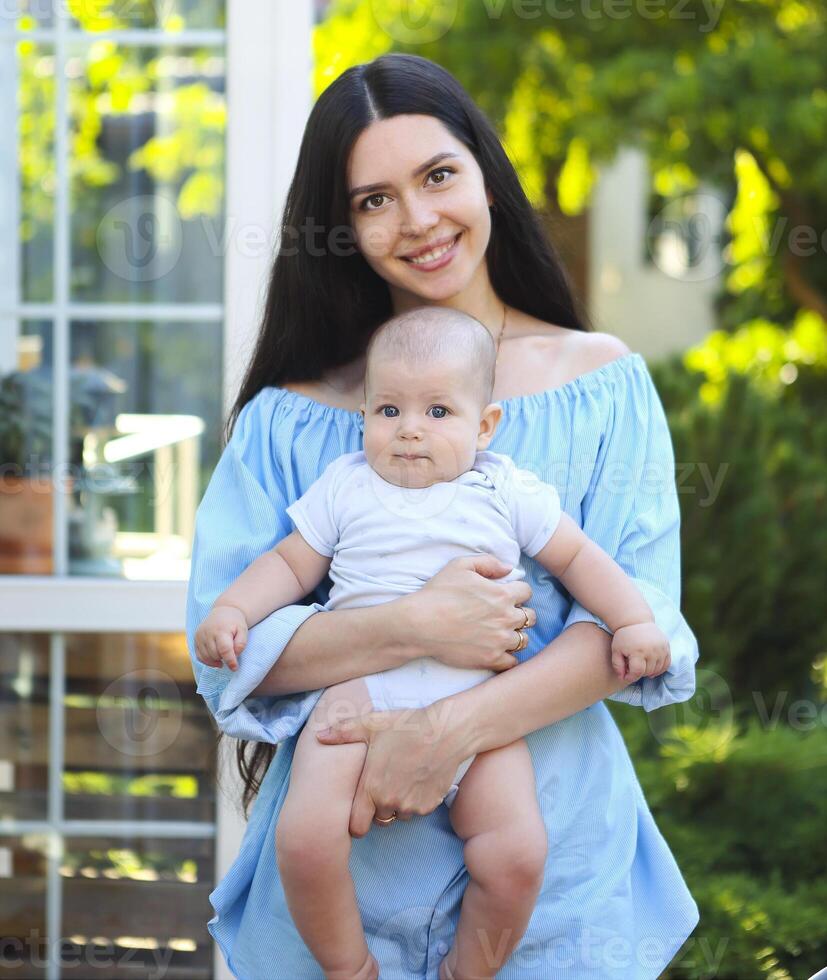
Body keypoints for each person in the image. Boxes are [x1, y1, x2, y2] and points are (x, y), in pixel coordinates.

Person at [186, 52, 700, 980]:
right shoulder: (287, 421)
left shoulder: (603, 385)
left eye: (437, 176)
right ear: (338, 227)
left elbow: (631, 620)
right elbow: (225, 643)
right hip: (338, 899)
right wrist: (413, 625)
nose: (418, 220)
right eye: (373, 199)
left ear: (485, 177)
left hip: (557, 896)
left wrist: (450, 733)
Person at [193, 307, 673, 980]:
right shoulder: (346, 486)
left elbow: (582, 560)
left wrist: (634, 622)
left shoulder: (505, 491)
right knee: (302, 841)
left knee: (516, 852)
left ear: (484, 426)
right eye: (388, 409)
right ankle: (349, 967)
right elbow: (287, 563)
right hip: (356, 702)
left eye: (438, 412)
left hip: (481, 707)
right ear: (363, 415)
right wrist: (233, 609)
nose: (409, 428)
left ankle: (466, 972)